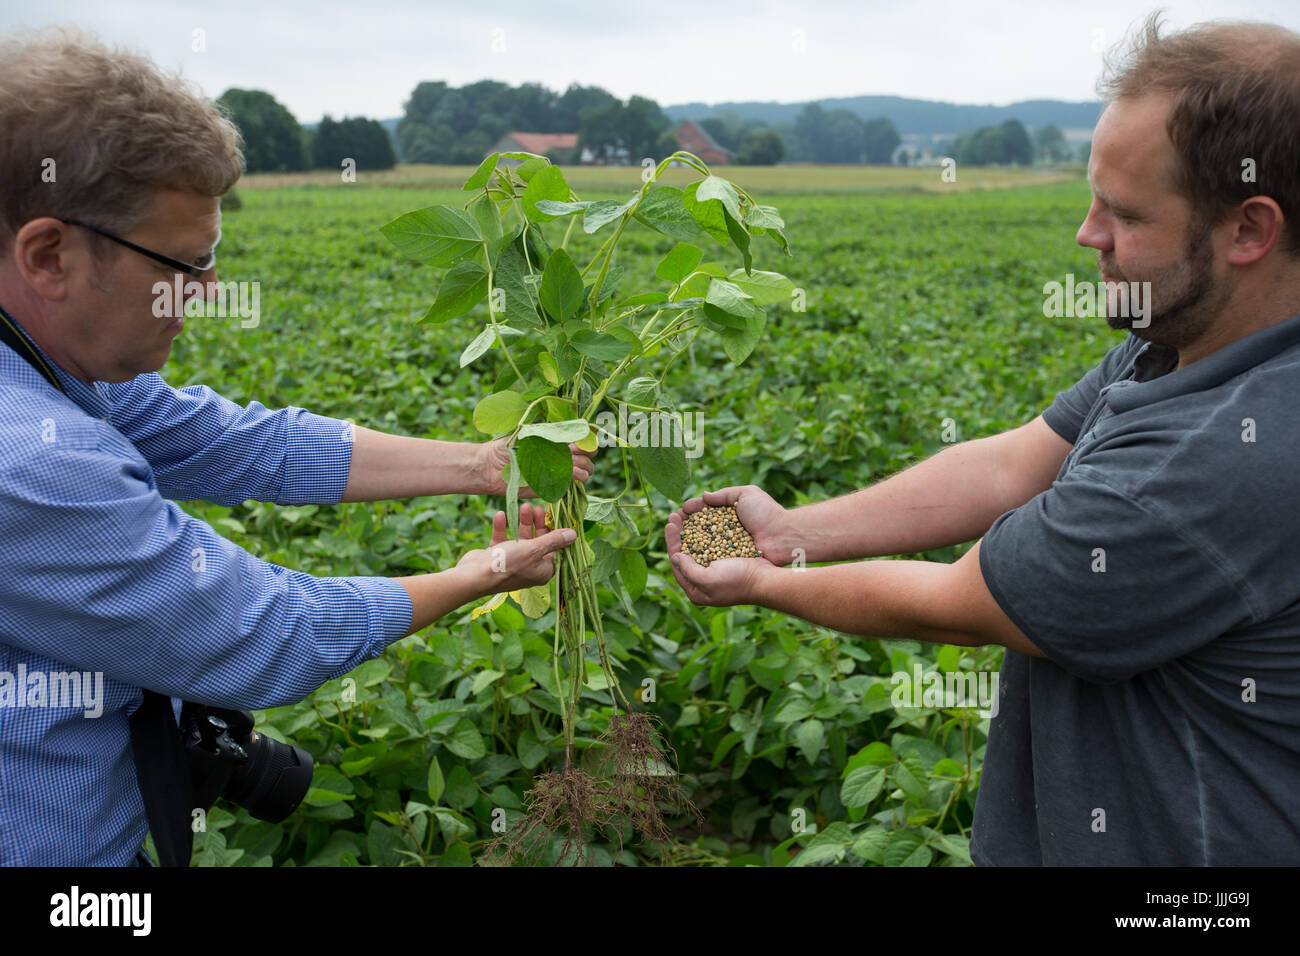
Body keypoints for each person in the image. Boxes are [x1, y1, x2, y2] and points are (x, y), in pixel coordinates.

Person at [665, 13, 1300, 865]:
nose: (1087, 235)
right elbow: (1012, 463)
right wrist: (795, 532)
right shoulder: (1182, 342)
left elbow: (961, 602)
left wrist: (761, 580)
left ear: (1249, 230)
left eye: (1123, 213)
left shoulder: (1221, 459)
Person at [0, 27, 590, 866]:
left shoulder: (45, 363)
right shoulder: (28, 464)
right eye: (184, 265)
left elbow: (234, 442)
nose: (207, 295)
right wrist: (479, 575)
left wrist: (482, 464)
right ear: (49, 254)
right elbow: (263, 634)